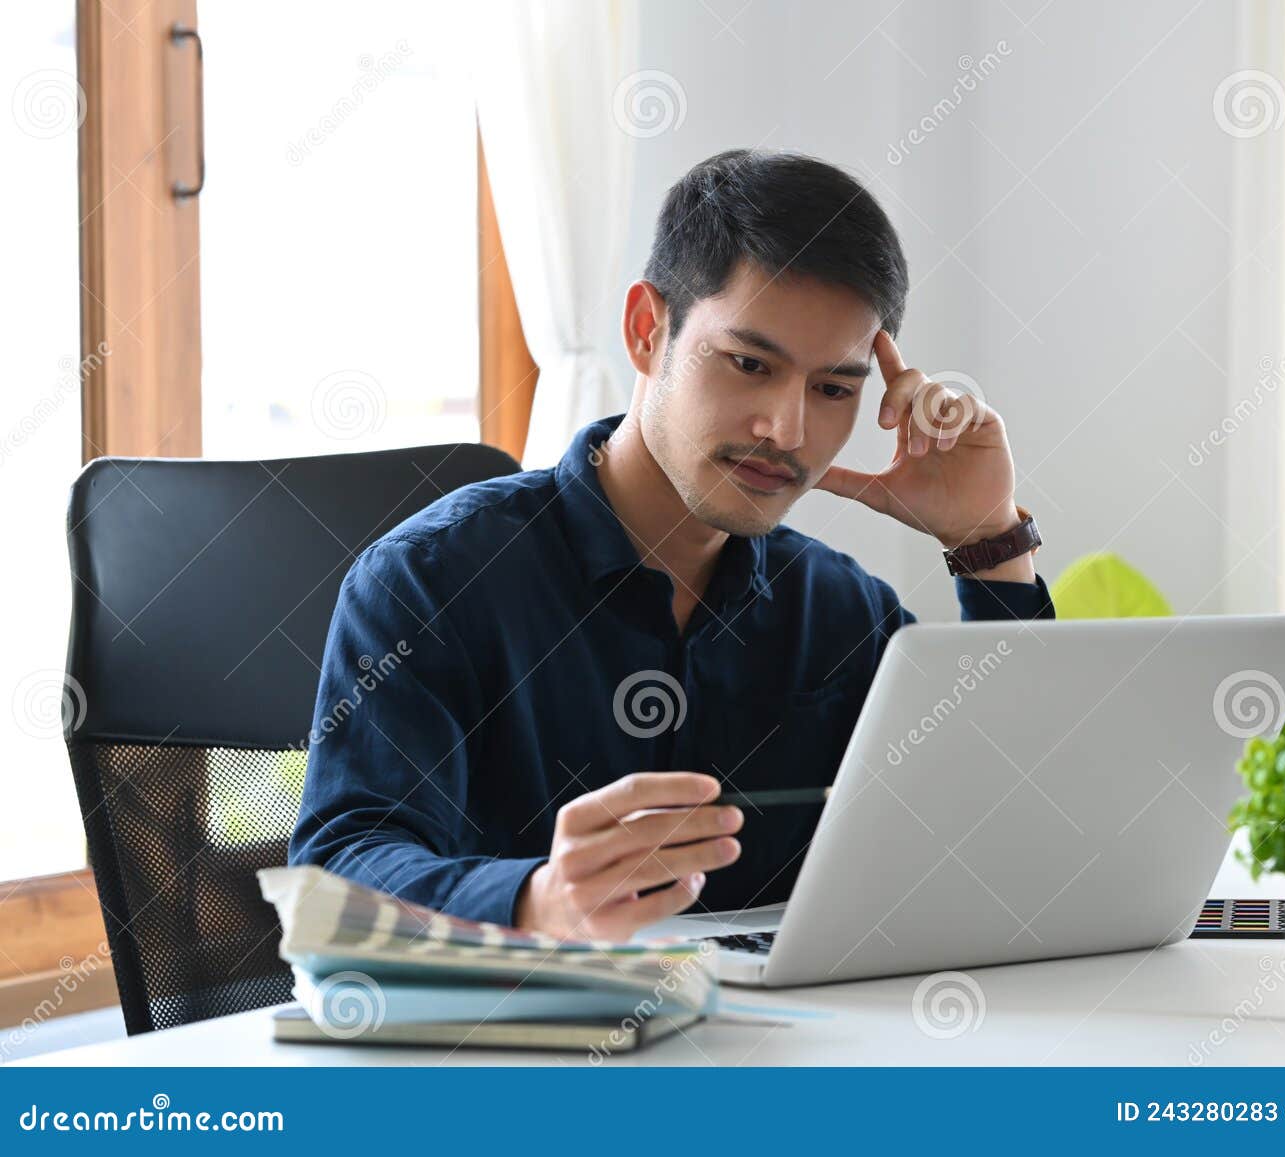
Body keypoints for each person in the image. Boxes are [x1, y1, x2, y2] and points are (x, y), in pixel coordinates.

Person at [289, 149, 1054, 940]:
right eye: (749, 364)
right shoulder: (432, 578)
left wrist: (987, 542)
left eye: (833, 388)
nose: (786, 430)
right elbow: (344, 861)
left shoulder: (842, 612)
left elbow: (1011, 828)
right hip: (519, 1050)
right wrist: (535, 901)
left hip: (792, 1050)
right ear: (646, 330)